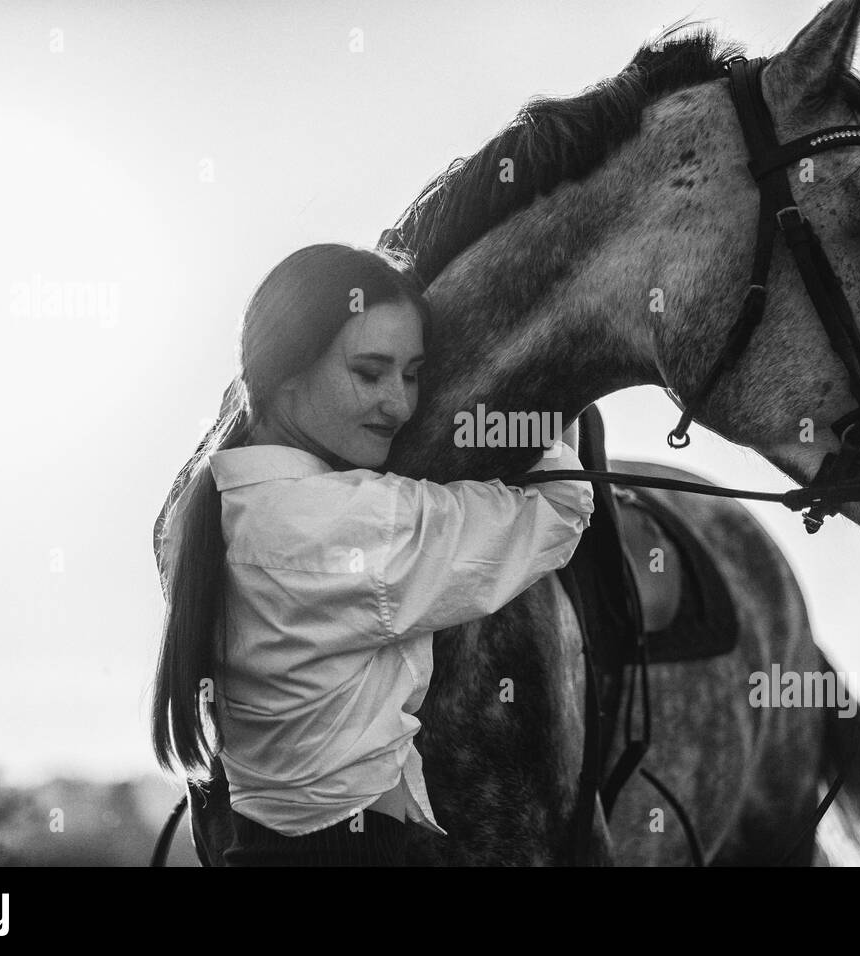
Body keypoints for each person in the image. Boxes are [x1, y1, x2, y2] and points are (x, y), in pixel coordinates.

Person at [151, 243, 594, 866]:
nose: (400, 403)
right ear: (285, 375)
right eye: (369, 372)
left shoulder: (209, 511)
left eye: (412, 374)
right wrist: (551, 398)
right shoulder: (349, 523)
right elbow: (555, 509)